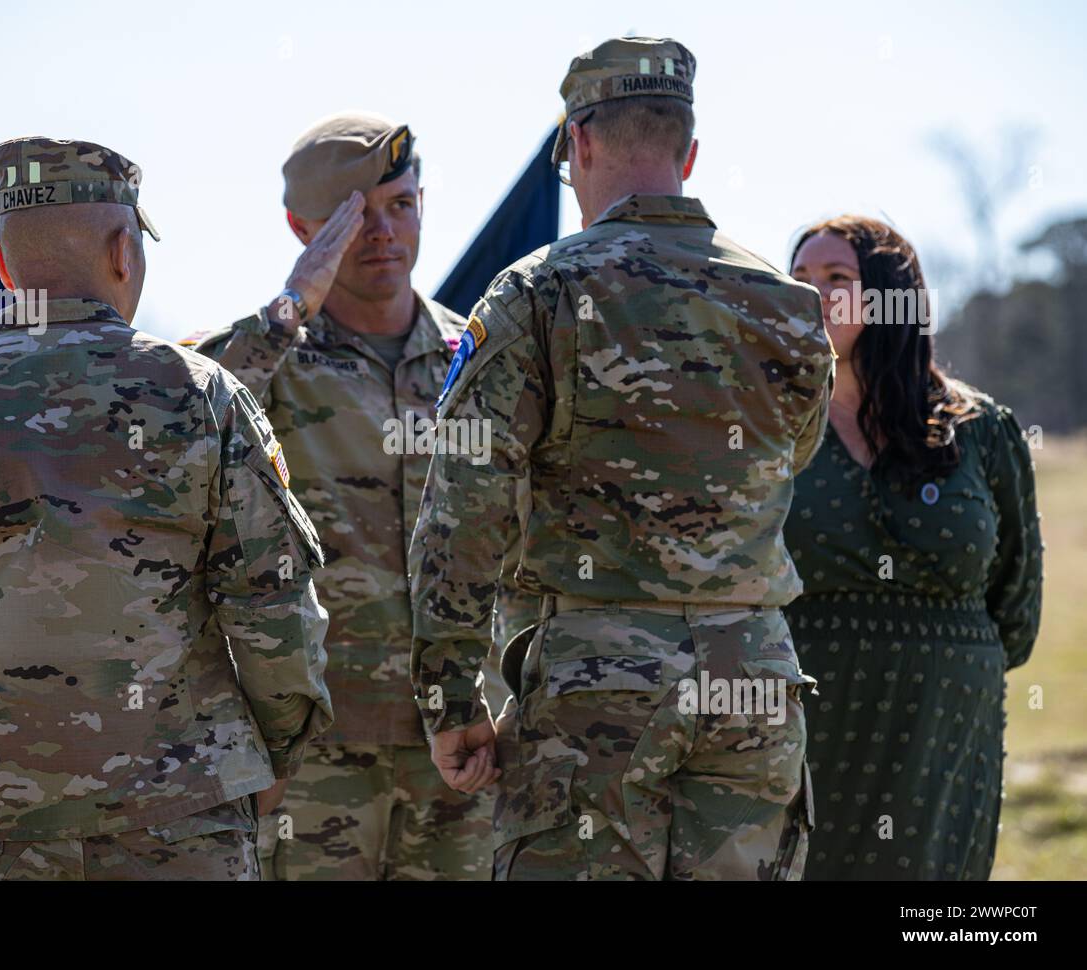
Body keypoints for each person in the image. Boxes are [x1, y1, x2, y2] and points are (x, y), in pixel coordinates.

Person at [0, 137, 332, 881]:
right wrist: (273, 752)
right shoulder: (201, 398)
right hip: (178, 826)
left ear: (2, 268)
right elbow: (274, 611)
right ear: (124, 252)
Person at [409, 36, 834, 880]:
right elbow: (791, 457)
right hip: (753, 678)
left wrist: (449, 697)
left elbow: (465, 509)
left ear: (580, 145)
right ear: (689, 152)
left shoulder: (537, 293)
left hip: (600, 682)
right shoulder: (788, 306)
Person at [187, 113, 495, 880]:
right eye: (353, 219)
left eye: (402, 205)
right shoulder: (262, 360)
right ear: (302, 228)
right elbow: (172, 440)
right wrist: (290, 308)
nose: (385, 233)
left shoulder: (480, 359)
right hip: (315, 749)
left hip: (458, 739)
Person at [786, 216, 1043, 880]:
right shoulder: (771, 427)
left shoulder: (981, 431)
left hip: (946, 734)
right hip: (807, 735)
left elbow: (1015, 607)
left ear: (888, 295)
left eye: (837, 278)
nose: (813, 296)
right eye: (799, 280)